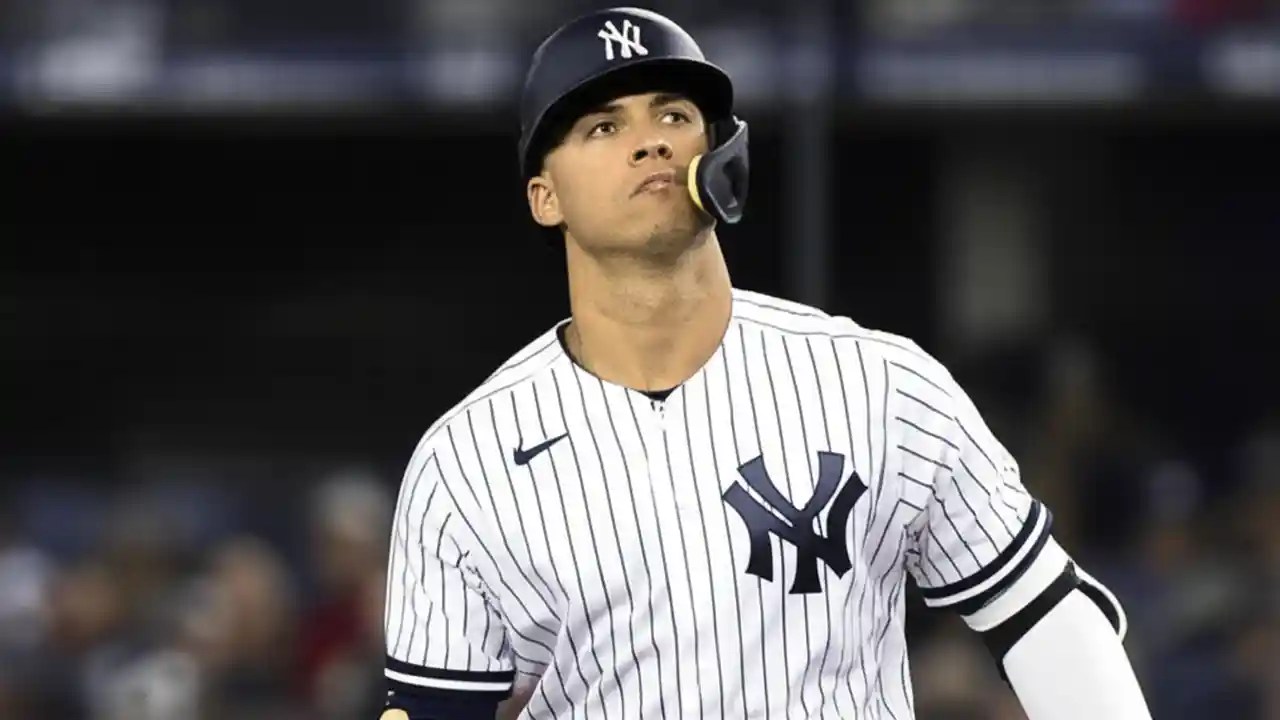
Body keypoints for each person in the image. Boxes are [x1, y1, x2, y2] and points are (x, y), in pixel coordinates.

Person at [380, 7, 1152, 719]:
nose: (649, 139)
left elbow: (1046, 617)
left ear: (719, 156)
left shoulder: (879, 385)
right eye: (603, 127)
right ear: (545, 197)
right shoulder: (468, 460)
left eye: (675, 115)